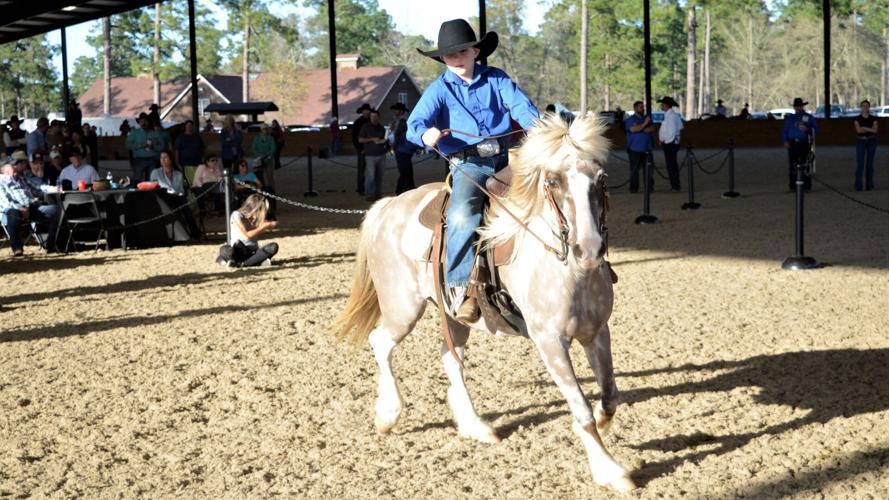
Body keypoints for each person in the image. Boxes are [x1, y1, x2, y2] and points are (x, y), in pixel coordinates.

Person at [407, 18, 539, 322]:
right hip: (468, 164)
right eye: (451, 54)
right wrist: (426, 135)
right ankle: (461, 287)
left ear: (476, 51)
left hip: (508, 159)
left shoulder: (498, 79)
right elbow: (415, 125)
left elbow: (520, 107)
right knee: (462, 215)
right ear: (442, 58)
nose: (457, 58)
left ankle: (579, 261)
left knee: (552, 190)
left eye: (463, 51)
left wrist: (537, 127)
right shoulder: (438, 90)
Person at [0, 152, 59, 255]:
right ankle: (17, 248)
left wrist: (54, 188)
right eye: (23, 164)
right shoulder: (1, 181)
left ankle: (50, 244)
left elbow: (38, 188)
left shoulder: (22, 178)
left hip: (30, 209)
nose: (25, 167)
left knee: (55, 210)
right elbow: (5, 201)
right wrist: (21, 208)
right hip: (11, 213)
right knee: (13, 212)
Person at [217, 194, 279, 268]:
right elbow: (246, 236)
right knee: (226, 249)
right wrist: (263, 227)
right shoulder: (237, 215)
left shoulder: (256, 218)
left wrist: (268, 226)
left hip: (252, 251)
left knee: (273, 247)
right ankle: (254, 262)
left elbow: (255, 232)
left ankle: (240, 263)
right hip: (237, 250)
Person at [150, 151, 199, 237]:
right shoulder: (155, 172)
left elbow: (180, 191)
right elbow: (153, 187)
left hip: (176, 198)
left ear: (171, 159)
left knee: (184, 204)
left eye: (165, 157)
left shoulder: (178, 174)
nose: (163, 160)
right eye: (161, 158)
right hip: (162, 198)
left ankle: (194, 232)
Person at [782, 97, 818, 191]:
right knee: (792, 165)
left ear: (802, 106)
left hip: (804, 143)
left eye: (799, 106)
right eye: (796, 106)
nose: (798, 108)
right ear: (794, 107)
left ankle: (807, 185)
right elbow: (785, 131)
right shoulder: (790, 118)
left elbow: (816, 130)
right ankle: (793, 186)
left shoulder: (809, 117)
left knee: (805, 164)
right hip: (792, 143)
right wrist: (785, 141)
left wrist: (808, 130)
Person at [625, 100, 656, 193]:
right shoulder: (630, 120)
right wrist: (644, 125)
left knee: (649, 170)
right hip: (634, 149)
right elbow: (633, 129)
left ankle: (649, 188)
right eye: (640, 107)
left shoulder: (646, 118)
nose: (643, 108)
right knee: (634, 170)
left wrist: (641, 127)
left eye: (643, 107)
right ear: (635, 108)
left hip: (647, 149)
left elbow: (652, 128)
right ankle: (634, 188)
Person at [358, 109, 389, 201]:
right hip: (370, 155)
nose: (374, 118)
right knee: (370, 176)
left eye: (375, 116)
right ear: (370, 117)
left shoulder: (382, 128)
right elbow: (360, 139)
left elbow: (385, 140)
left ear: (378, 117)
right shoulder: (365, 127)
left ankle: (378, 194)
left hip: (381, 154)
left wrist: (384, 142)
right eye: (372, 116)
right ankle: (369, 195)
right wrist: (372, 139)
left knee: (379, 176)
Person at [657, 96, 684, 192]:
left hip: (670, 144)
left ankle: (675, 186)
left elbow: (672, 132)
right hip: (670, 143)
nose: (661, 106)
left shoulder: (672, 116)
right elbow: (679, 128)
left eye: (662, 104)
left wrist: (665, 141)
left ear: (666, 105)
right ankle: (674, 185)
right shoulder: (671, 115)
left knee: (671, 165)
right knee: (671, 165)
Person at [125, 113, 161, 182]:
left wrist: (154, 146)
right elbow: (128, 145)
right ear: (139, 123)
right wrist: (139, 145)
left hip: (152, 160)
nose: (144, 123)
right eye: (142, 121)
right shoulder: (134, 133)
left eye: (145, 121)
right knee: (137, 181)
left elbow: (161, 146)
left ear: (148, 122)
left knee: (152, 181)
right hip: (139, 160)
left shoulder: (154, 133)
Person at [389, 103, 416, 195]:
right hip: (402, 149)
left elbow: (397, 136)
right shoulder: (396, 121)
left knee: (404, 172)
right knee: (406, 171)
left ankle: (400, 191)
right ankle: (409, 190)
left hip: (402, 149)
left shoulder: (402, 122)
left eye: (396, 110)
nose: (394, 112)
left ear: (400, 111)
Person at [853, 100, 879, 191]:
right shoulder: (857, 119)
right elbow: (858, 131)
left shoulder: (873, 118)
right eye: (863, 106)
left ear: (869, 107)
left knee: (870, 163)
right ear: (861, 107)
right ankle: (858, 185)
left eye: (866, 106)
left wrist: (864, 128)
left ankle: (869, 184)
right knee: (860, 163)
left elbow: (875, 131)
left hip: (871, 141)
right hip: (860, 141)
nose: (865, 107)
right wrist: (869, 129)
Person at [174, 119, 205, 184]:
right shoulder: (180, 137)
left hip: (197, 163)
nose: (189, 127)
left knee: (198, 181)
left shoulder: (197, 137)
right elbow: (177, 151)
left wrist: (203, 159)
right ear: (185, 127)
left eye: (191, 125)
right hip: (186, 164)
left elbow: (202, 148)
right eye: (188, 125)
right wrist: (177, 163)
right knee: (189, 182)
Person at [352, 103, 371, 195]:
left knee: (370, 170)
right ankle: (361, 188)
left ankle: (368, 188)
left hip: (371, 150)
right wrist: (359, 149)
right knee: (362, 170)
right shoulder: (358, 123)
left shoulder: (372, 121)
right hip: (362, 149)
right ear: (362, 112)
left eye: (368, 110)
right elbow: (354, 137)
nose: (367, 112)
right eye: (365, 110)